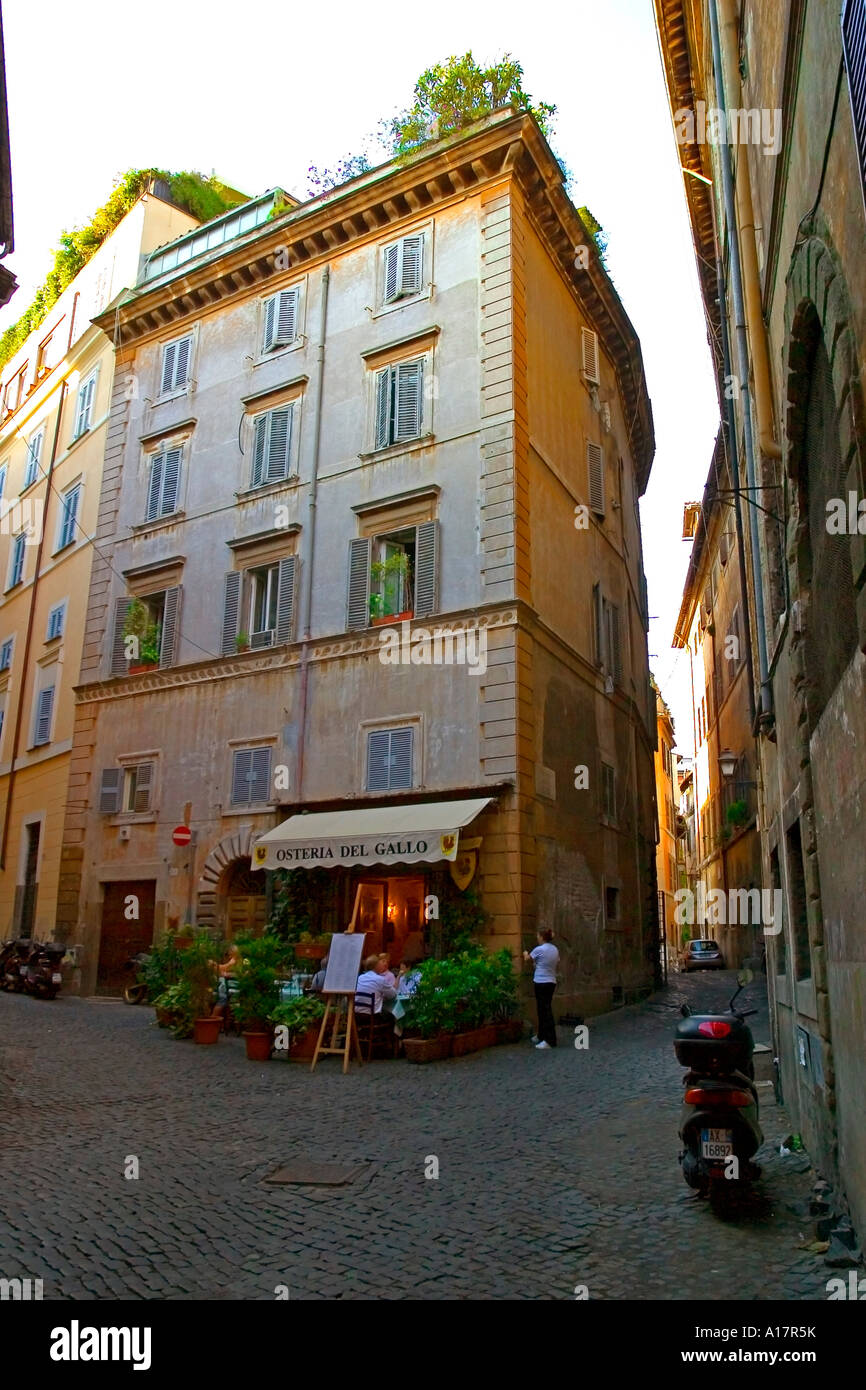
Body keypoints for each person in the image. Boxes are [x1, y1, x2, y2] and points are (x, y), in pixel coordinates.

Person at [523, 929, 559, 1049]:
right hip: (551, 981)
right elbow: (554, 961)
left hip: (541, 982)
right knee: (543, 1009)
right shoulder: (554, 949)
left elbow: (527, 959)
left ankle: (550, 1040)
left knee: (545, 1011)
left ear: (542, 937)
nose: (537, 938)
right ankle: (541, 1035)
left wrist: (525, 953)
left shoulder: (540, 949)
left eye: (538, 936)